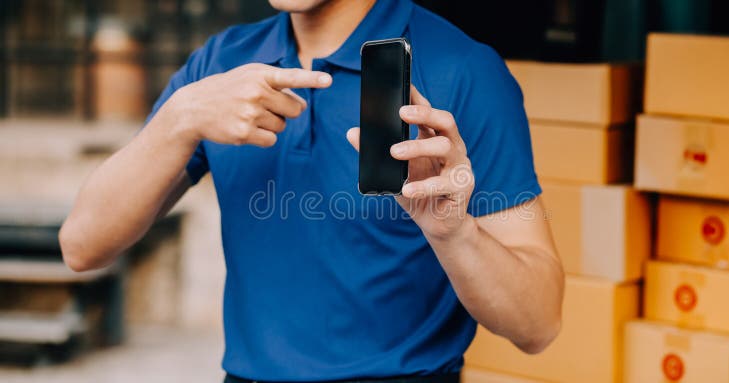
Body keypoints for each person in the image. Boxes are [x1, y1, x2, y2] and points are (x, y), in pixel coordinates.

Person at [59, 0, 564, 382]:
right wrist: (179, 119)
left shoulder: (464, 70)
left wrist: (454, 234)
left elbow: (538, 324)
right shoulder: (220, 64)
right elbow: (82, 246)